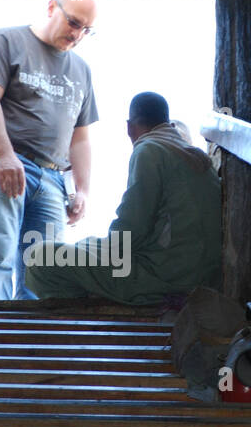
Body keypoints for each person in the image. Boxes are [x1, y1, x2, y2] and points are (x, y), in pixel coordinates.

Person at [24, 92, 221, 305]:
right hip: (200, 277)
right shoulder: (199, 158)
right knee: (81, 251)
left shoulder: (149, 150)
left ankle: (92, 315)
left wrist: (88, 245)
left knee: (40, 258)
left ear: (129, 127)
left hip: (164, 279)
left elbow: (129, 233)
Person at [0, 0, 99, 299]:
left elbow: (80, 136)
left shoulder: (81, 69)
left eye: (87, 30)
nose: (78, 34)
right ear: (53, 8)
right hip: (3, 164)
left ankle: (31, 344)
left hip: (53, 178)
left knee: (44, 270)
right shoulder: (7, 40)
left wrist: (82, 190)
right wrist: (4, 155)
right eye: (74, 23)